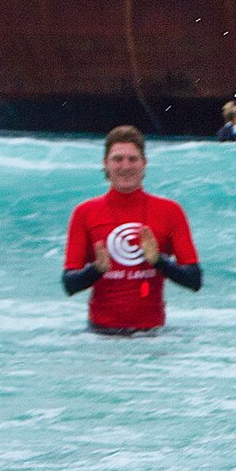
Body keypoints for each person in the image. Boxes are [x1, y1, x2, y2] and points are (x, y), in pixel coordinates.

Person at [61, 125, 202, 335]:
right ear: (105, 164)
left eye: (133, 159)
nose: (125, 166)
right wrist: (96, 269)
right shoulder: (85, 213)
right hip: (99, 337)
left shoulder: (170, 211)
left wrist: (158, 261)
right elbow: (69, 284)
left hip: (153, 336)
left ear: (144, 164)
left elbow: (194, 280)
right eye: (118, 159)